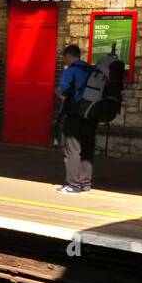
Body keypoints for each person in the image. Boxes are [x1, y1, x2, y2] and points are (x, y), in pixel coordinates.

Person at [56, 44, 95, 194]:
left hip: (75, 114)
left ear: (69, 56)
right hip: (91, 114)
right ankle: (85, 184)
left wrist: (57, 93)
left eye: (64, 58)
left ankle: (72, 185)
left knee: (72, 150)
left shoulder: (71, 71)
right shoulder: (90, 70)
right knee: (87, 149)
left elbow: (64, 93)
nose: (64, 61)